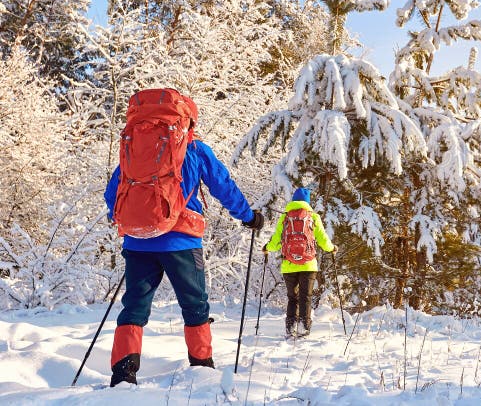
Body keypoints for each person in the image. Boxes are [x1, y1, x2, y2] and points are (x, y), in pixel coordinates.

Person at [104, 90, 264, 387]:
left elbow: (112, 194)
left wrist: (130, 219)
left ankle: (123, 374)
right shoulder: (195, 149)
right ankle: (202, 366)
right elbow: (223, 186)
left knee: (134, 307)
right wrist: (248, 216)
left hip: (138, 241)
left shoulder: (134, 148)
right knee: (194, 304)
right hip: (182, 240)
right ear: (188, 121)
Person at [263, 187, 335, 338]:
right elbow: (322, 239)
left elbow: (276, 241)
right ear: (308, 202)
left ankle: (290, 328)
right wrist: (332, 248)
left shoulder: (285, 217)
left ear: (293, 201)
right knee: (305, 297)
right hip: (308, 265)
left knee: (292, 298)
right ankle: (304, 327)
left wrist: (267, 248)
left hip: (289, 266)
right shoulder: (313, 217)